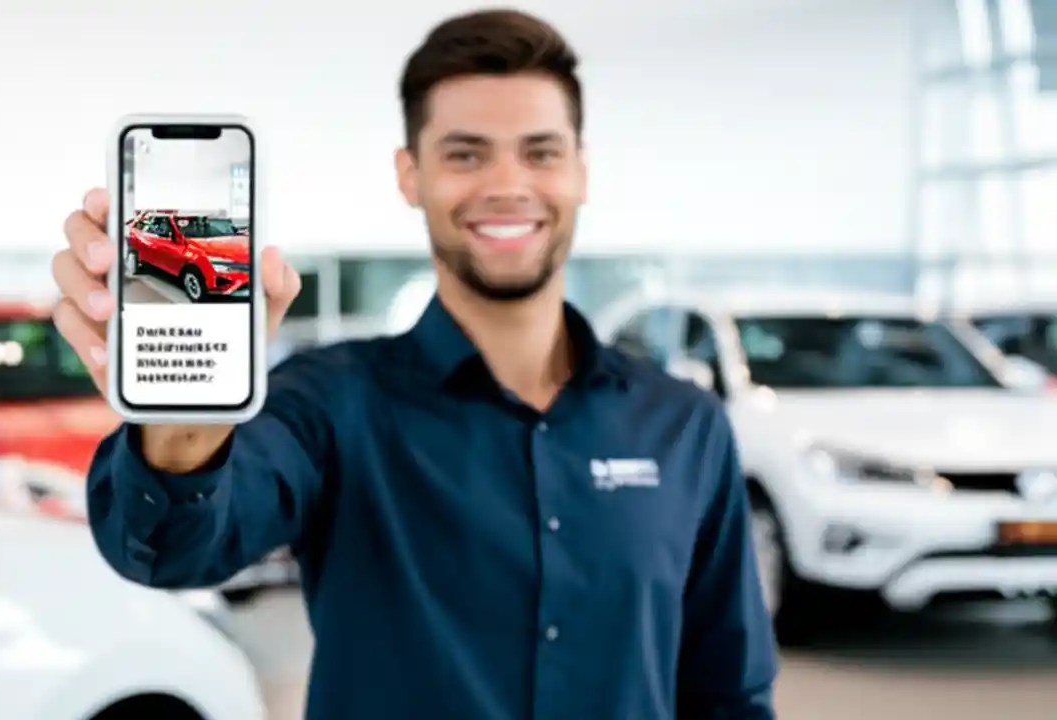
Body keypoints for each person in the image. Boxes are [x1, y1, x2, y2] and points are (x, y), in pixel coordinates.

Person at [51, 8, 777, 719]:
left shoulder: (685, 427)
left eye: (540, 151)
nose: (505, 183)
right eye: (465, 152)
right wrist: (184, 419)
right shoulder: (329, 402)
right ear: (410, 174)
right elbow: (172, 550)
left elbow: (728, 695)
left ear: (580, 171)